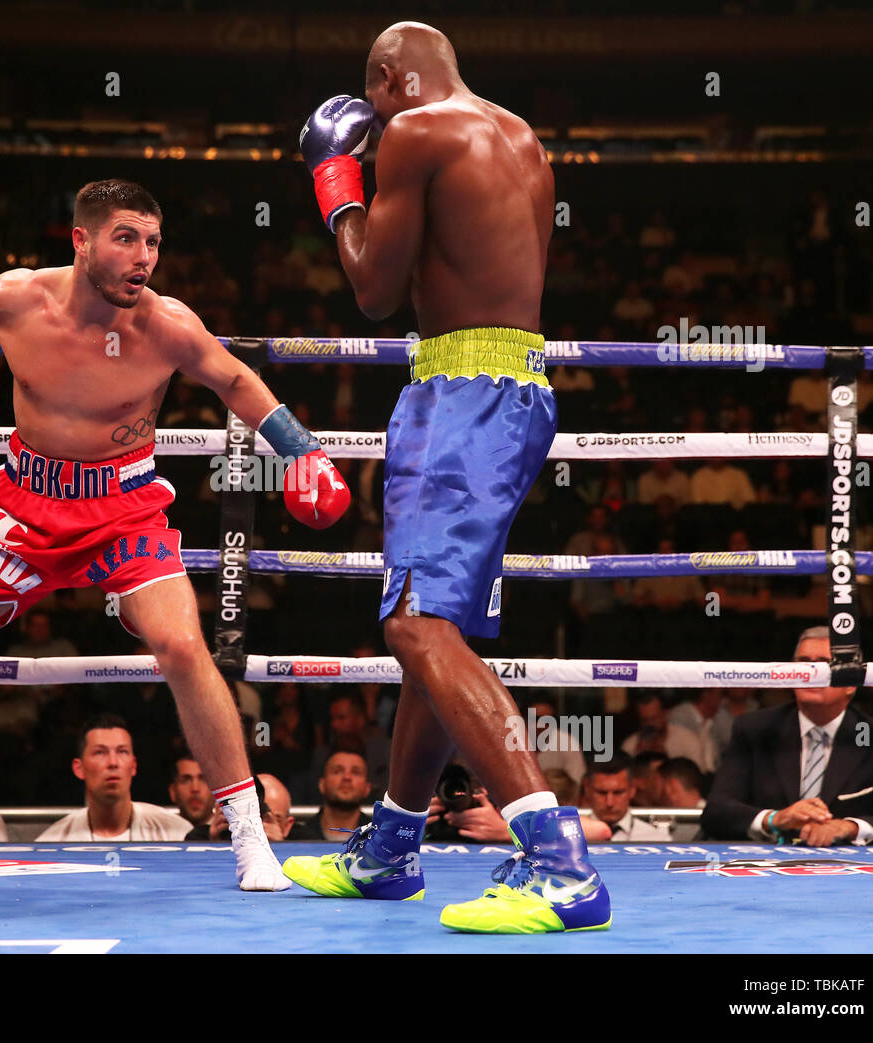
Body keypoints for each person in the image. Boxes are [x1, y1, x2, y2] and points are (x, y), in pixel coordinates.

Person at [0, 179, 350, 891]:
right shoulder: (17, 298)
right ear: (80, 241)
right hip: (23, 505)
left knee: (183, 647)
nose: (145, 258)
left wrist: (303, 451)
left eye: (155, 242)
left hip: (124, 507)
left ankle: (251, 836)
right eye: (127, 238)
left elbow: (234, 379)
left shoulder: (165, 324)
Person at [281, 21, 610, 933]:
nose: (376, 118)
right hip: (516, 387)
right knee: (440, 625)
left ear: (390, 80)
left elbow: (373, 287)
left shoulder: (418, 131)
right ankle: (391, 846)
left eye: (375, 98)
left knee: (417, 623)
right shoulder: (519, 136)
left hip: (461, 392)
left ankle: (558, 860)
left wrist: (333, 180)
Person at [701, 627, 873, 845]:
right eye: (803, 663)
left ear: (850, 683)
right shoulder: (755, 729)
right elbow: (716, 812)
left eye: (822, 664)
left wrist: (848, 827)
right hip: (765, 866)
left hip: (844, 870)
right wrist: (775, 818)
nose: (810, 672)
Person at [37, 715, 191, 842]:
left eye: (122, 752)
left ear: (133, 766)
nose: (113, 763)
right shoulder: (52, 842)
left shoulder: (177, 834)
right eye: (100, 752)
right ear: (79, 768)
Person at [581, 756, 672, 842]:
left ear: (632, 790)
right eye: (602, 793)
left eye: (618, 792)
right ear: (587, 789)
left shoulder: (656, 839)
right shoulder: (570, 838)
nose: (609, 803)